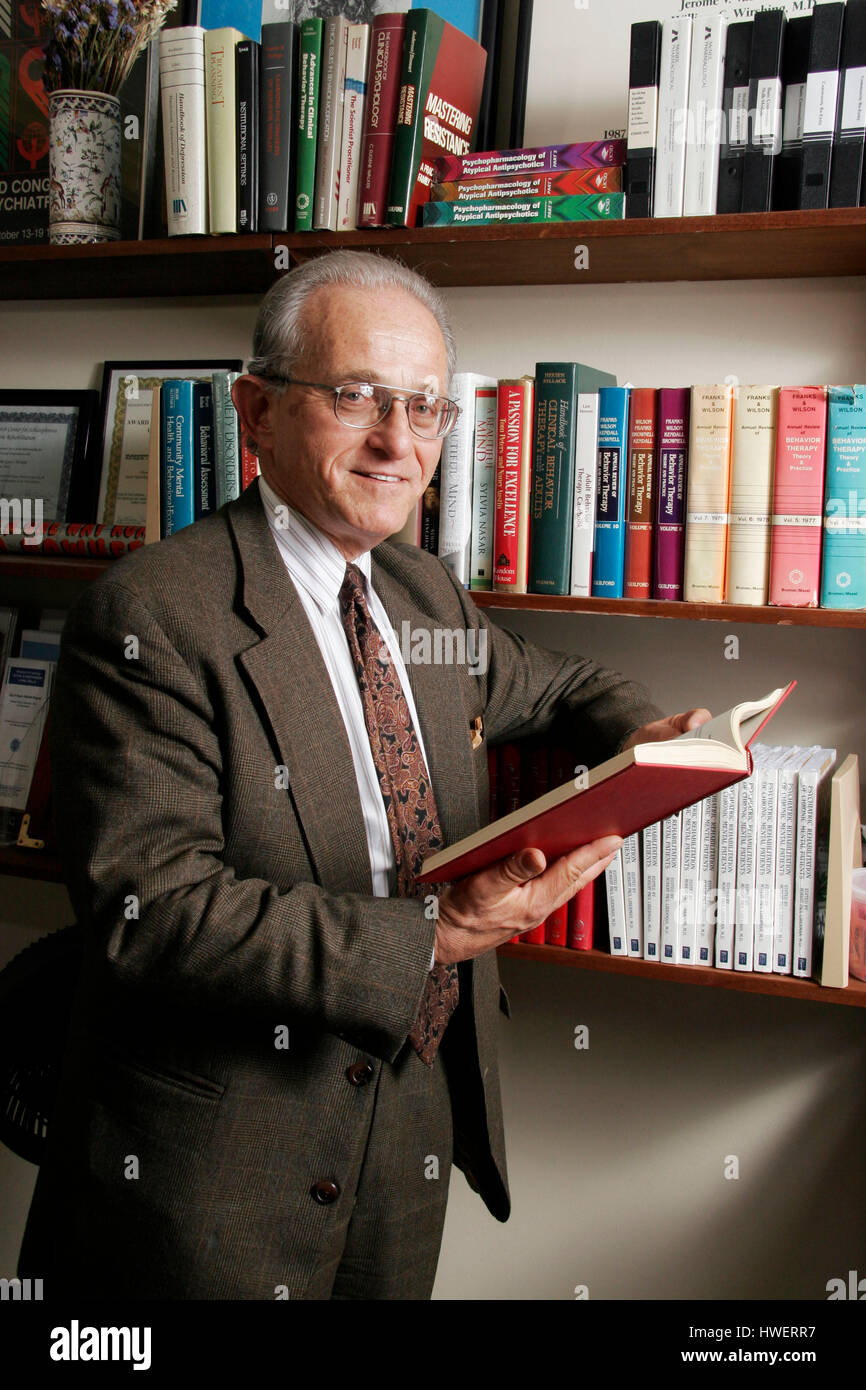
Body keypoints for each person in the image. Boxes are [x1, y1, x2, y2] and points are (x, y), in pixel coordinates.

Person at [18, 250, 709, 1300]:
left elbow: (556, 684)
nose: (398, 441)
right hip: (213, 1164)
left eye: (424, 407)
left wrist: (648, 741)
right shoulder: (155, 617)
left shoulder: (422, 596)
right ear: (255, 411)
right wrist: (436, 935)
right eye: (355, 397)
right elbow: (148, 913)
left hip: (406, 1131)